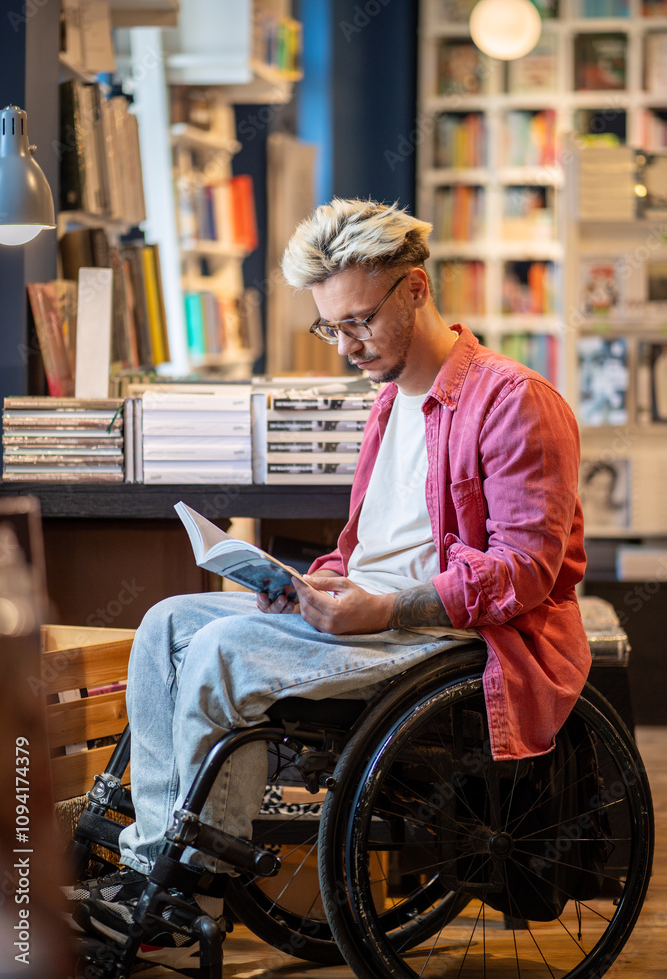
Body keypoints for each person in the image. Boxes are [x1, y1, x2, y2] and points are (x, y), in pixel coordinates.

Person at [68, 198, 591, 968]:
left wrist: (384, 605)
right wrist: (311, 583)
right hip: (377, 618)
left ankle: (184, 887)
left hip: (454, 636)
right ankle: (158, 866)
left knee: (222, 651)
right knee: (166, 623)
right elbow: (370, 546)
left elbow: (524, 571)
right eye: (330, 327)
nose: (344, 345)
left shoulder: (512, 401)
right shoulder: (389, 403)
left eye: (358, 322)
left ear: (415, 289)